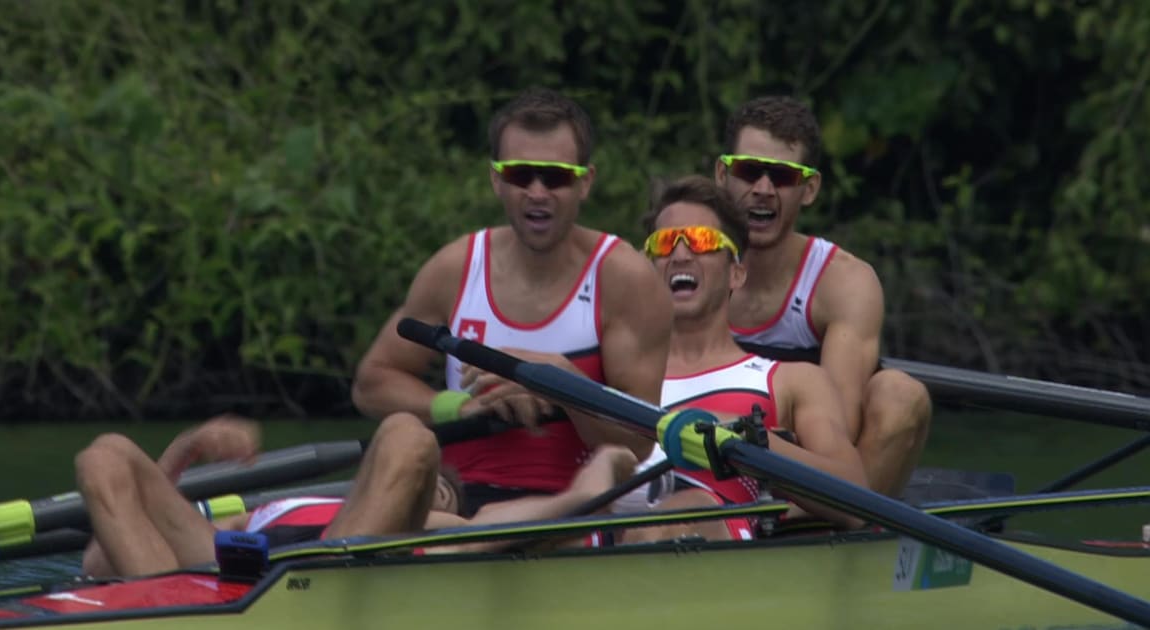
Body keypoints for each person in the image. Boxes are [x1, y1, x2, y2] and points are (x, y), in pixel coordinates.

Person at [351, 87, 673, 516]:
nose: (537, 192)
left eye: (555, 177)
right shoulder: (454, 268)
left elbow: (638, 440)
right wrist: (455, 406)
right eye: (521, 175)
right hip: (457, 500)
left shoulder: (625, 279)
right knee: (400, 435)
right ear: (496, 181)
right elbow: (372, 382)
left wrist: (563, 386)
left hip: (572, 507)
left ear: (585, 182)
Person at [75, 413, 638, 578]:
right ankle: (162, 614)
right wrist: (186, 448)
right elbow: (100, 562)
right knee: (104, 454)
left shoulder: (459, 527)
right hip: (215, 575)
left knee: (408, 434)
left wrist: (611, 460)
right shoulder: (264, 512)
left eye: (437, 489)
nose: (428, 489)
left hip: (332, 581)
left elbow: (570, 507)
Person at [621, 176, 868, 544]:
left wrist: (746, 439)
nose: (681, 255)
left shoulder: (791, 381)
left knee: (677, 516)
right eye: (665, 243)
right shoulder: (611, 374)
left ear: (736, 273)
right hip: (609, 529)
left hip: (711, 534)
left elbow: (856, 501)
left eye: (702, 241)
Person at [714, 96, 931, 497]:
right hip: (710, 455)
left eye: (782, 177)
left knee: (901, 394)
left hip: (807, 479)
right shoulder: (681, 260)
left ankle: (836, 525)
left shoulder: (844, 282)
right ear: (722, 175)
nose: (763, 190)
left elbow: (837, 430)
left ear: (809, 189)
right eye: (749, 171)